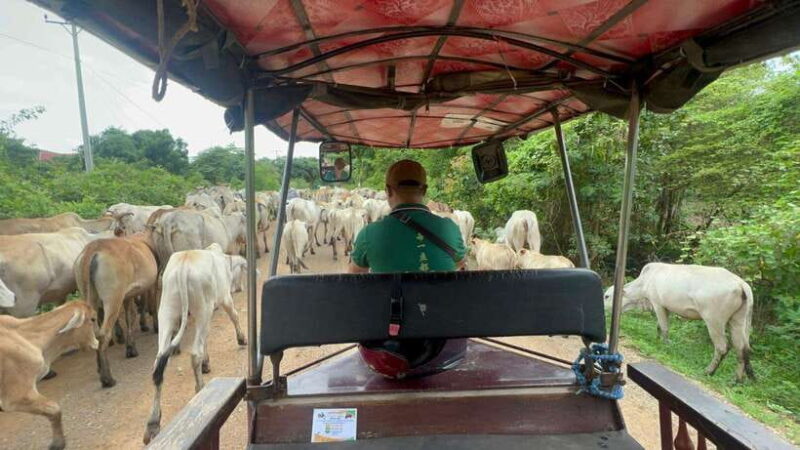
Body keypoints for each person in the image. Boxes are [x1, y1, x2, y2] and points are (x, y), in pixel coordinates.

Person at [349, 159, 467, 379]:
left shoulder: (369, 233)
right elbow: (459, 263)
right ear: (425, 190)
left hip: (389, 345)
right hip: (443, 342)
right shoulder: (449, 228)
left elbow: (355, 278)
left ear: (388, 191)